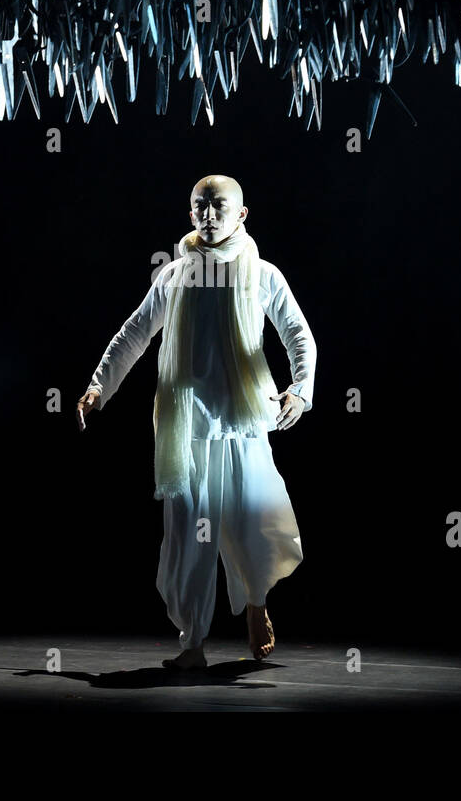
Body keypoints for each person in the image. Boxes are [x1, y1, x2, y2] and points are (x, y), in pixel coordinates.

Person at [77, 175, 316, 669]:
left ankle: (255, 602)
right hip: (186, 428)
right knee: (190, 534)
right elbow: (135, 333)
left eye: (219, 206)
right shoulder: (173, 276)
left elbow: (298, 332)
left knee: (252, 521)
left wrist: (300, 389)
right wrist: (99, 386)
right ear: (190, 215)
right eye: (200, 207)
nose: (209, 215)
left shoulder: (262, 274)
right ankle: (192, 644)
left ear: (242, 215)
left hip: (243, 421)